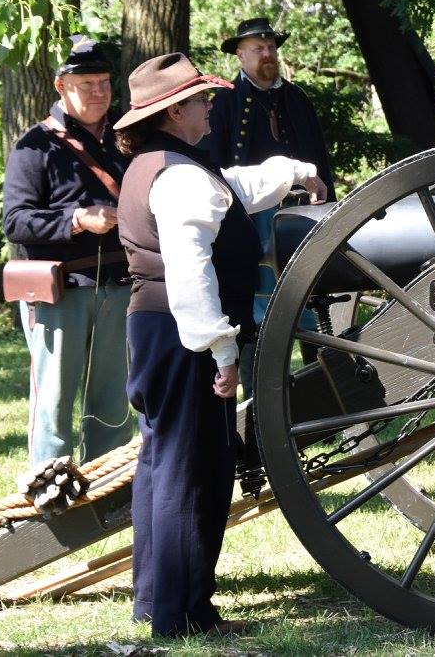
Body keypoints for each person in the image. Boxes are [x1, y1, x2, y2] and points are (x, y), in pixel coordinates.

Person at [115, 52, 324, 638]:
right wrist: (222, 350)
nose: (211, 106)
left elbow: (233, 189)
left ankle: (158, 600)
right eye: (202, 100)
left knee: (162, 465)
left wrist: (296, 171)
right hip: (184, 333)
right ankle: (183, 616)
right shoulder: (178, 176)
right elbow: (190, 271)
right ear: (175, 111)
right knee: (196, 471)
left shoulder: (166, 166)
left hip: (158, 329)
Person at [3, 36, 132, 465]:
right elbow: (16, 222)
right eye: (87, 83)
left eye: (104, 82)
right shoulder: (34, 146)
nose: (99, 92)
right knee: (54, 401)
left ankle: (107, 489)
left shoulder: (129, 138)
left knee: (113, 401)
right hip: (61, 292)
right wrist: (76, 220)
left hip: (119, 285)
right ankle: (50, 487)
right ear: (62, 86)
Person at [206, 16, 332, 375]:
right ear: (240, 56)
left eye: (271, 47)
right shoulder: (226, 103)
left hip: (302, 213)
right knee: (256, 307)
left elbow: (319, 158)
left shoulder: (296, 98)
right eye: (258, 49)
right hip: (252, 220)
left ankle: (323, 386)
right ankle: (259, 401)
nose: (268, 54)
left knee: (310, 296)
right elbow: (216, 168)